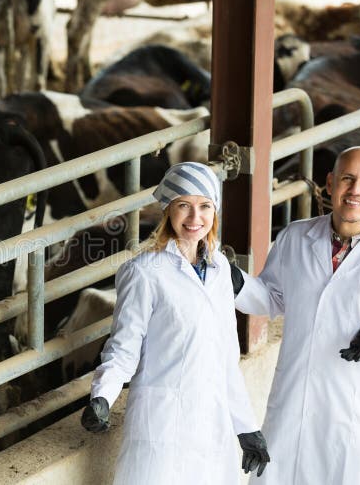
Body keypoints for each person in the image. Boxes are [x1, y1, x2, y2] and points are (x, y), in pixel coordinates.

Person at [231, 146, 360, 484]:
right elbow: (272, 298)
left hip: (357, 417)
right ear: (330, 183)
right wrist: (238, 283)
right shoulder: (296, 237)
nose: (355, 190)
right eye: (347, 178)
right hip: (294, 407)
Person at [80, 162, 269, 484]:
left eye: (205, 206)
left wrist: (247, 427)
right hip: (162, 425)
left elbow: (225, 357)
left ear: (215, 212)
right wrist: (102, 396)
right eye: (184, 206)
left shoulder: (221, 267)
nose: (195, 218)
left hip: (212, 424)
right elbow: (124, 348)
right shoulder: (143, 272)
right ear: (168, 210)